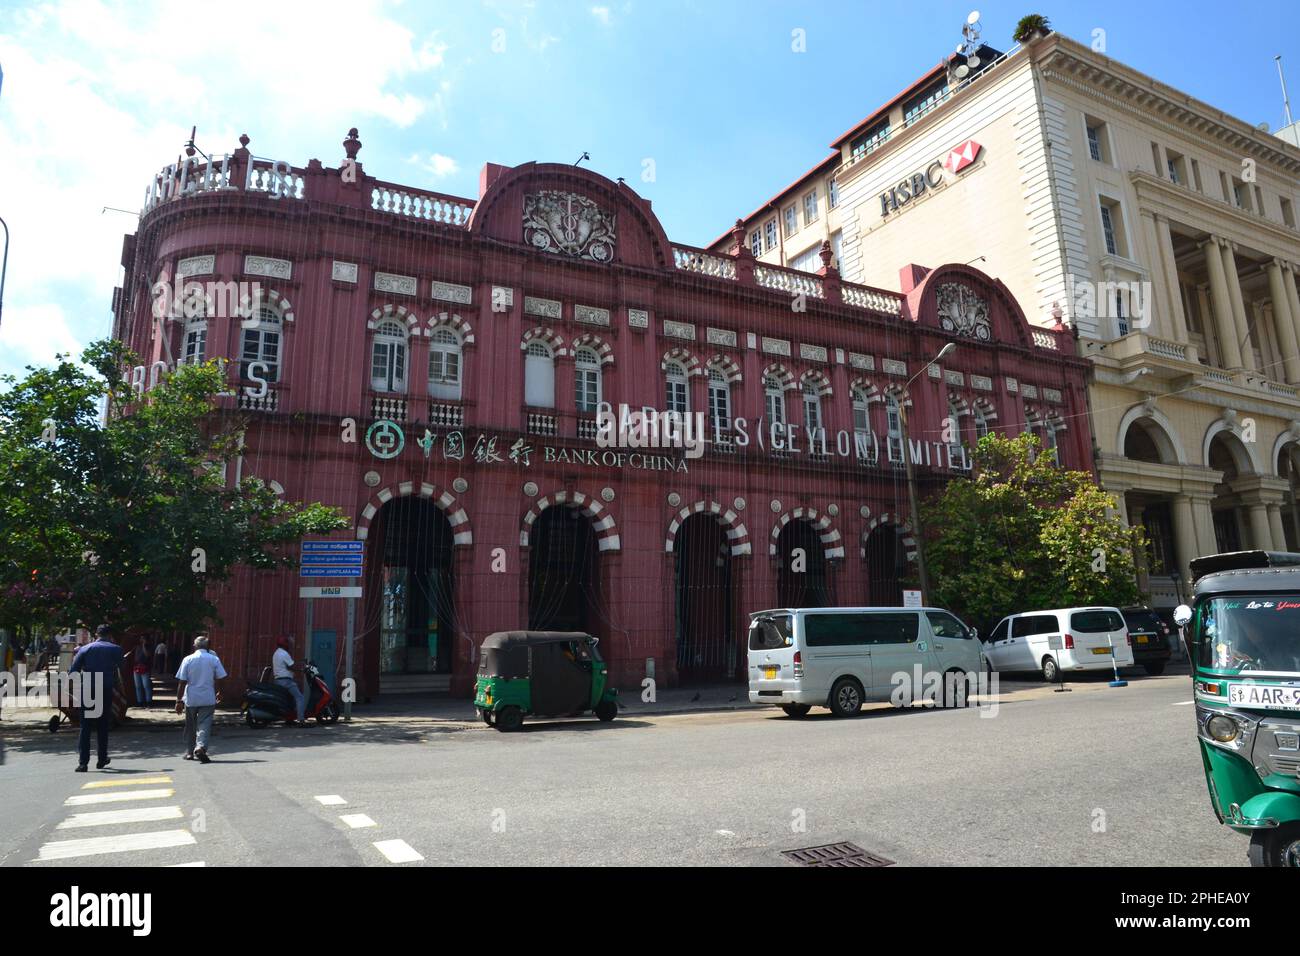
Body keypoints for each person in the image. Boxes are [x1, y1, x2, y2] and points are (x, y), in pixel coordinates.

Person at [68, 624, 122, 772]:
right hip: (105, 688)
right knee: (102, 725)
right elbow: (121, 668)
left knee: (85, 726)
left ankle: (83, 763)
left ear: (96, 634)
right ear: (109, 635)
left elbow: (73, 671)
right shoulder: (115, 649)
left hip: (88, 688)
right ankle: (102, 758)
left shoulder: (85, 649)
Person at [174, 636, 227, 763]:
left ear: (195, 646)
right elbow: (220, 678)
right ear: (208, 646)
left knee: (190, 725)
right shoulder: (214, 659)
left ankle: (189, 752)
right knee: (204, 724)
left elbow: (182, 682)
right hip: (208, 697)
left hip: (191, 698)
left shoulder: (188, 659)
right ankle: (200, 747)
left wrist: (178, 701)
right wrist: (220, 692)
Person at [272, 637, 307, 726]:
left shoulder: (276, 653)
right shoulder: (284, 653)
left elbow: (287, 666)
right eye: (289, 644)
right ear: (286, 644)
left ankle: (289, 719)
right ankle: (301, 720)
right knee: (300, 697)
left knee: (289, 700)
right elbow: (291, 666)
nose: (290, 646)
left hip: (278, 680)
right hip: (286, 681)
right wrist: (302, 669)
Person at [131, 637, 153, 707]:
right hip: (136, 667)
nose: (142, 640)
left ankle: (148, 701)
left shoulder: (149, 647)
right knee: (138, 686)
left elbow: (147, 655)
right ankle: (139, 702)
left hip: (145, 668)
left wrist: (144, 646)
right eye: (141, 638)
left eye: (143, 638)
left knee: (146, 685)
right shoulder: (137, 647)